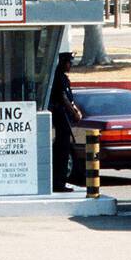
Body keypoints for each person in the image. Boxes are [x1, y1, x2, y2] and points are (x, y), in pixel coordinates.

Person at [51, 48, 82, 192]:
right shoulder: (57, 77)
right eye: (69, 63)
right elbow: (63, 98)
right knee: (61, 152)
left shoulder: (63, 77)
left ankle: (61, 181)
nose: (70, 66)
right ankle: (58, 183)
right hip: (60, 116)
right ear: (63, 63)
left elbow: (70, 98)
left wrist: (77, 110)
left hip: (65, 118)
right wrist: (73, 112)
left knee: (64, 150)